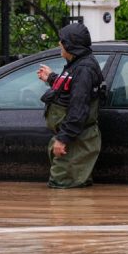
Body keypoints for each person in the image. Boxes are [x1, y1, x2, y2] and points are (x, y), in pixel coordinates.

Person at [37, 22, 104, 188]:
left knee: (62, 188)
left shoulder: (84, 69)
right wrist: (51, 78)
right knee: (72, 188)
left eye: (63, 41)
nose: (59, 43)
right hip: (74, 138)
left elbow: (78, 108)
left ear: (71, 45)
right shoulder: (78, 64)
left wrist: (62, 139)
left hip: (75, 140)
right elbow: (70, 87)